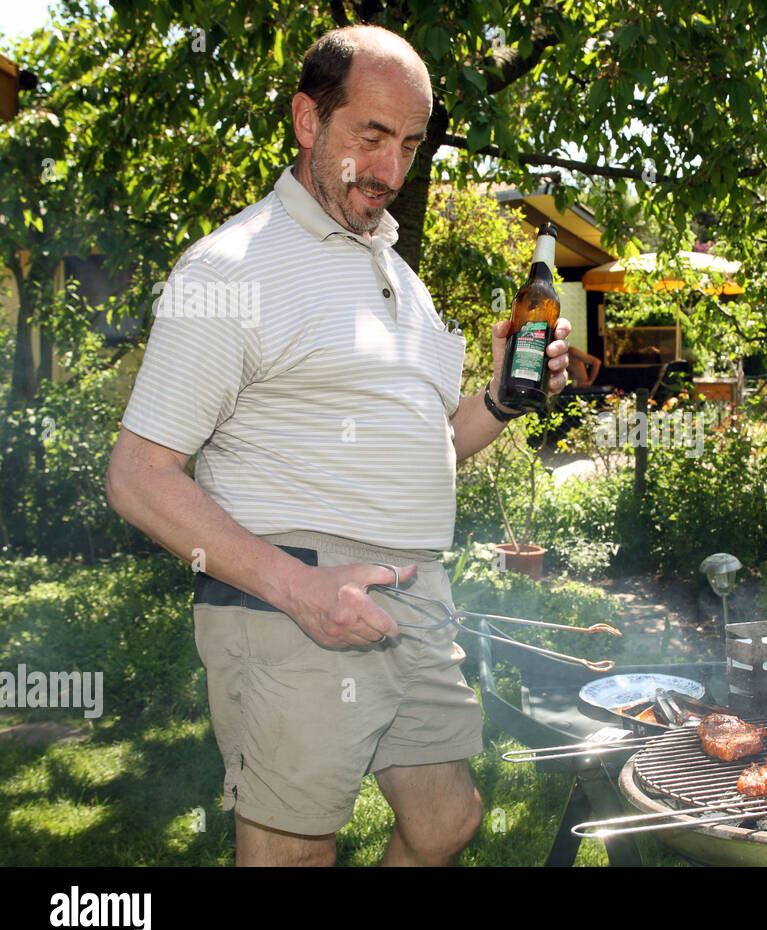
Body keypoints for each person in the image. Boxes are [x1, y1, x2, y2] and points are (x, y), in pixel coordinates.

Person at [104, 24, 569, 866]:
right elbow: (138, 476)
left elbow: (429, 448)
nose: (392, 171)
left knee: (446, 822)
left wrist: (501, 398)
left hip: (415, 595)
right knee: (293, 854)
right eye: (373, 137)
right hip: (295, 596)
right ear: (308, 121)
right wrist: (299, 589)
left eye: (412, 144)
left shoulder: (397, 271)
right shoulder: (230, 269)